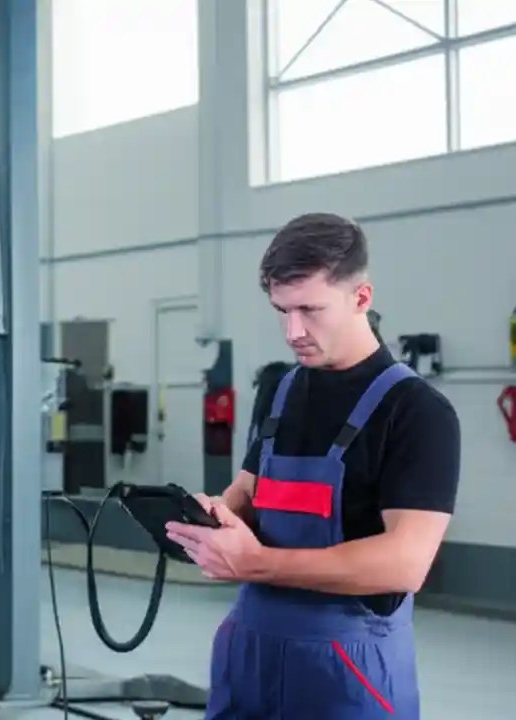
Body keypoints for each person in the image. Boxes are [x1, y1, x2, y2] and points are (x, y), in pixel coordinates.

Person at [165, 213, 461, 719]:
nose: (293, 330)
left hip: (348, 669)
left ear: (361, 298)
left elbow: (405, 563)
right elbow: (250, 489)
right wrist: (216, 514)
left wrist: (255, 563)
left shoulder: (417, 412)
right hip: (250, 650)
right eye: (282, 310)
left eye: (310, 309)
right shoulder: (281, 391)